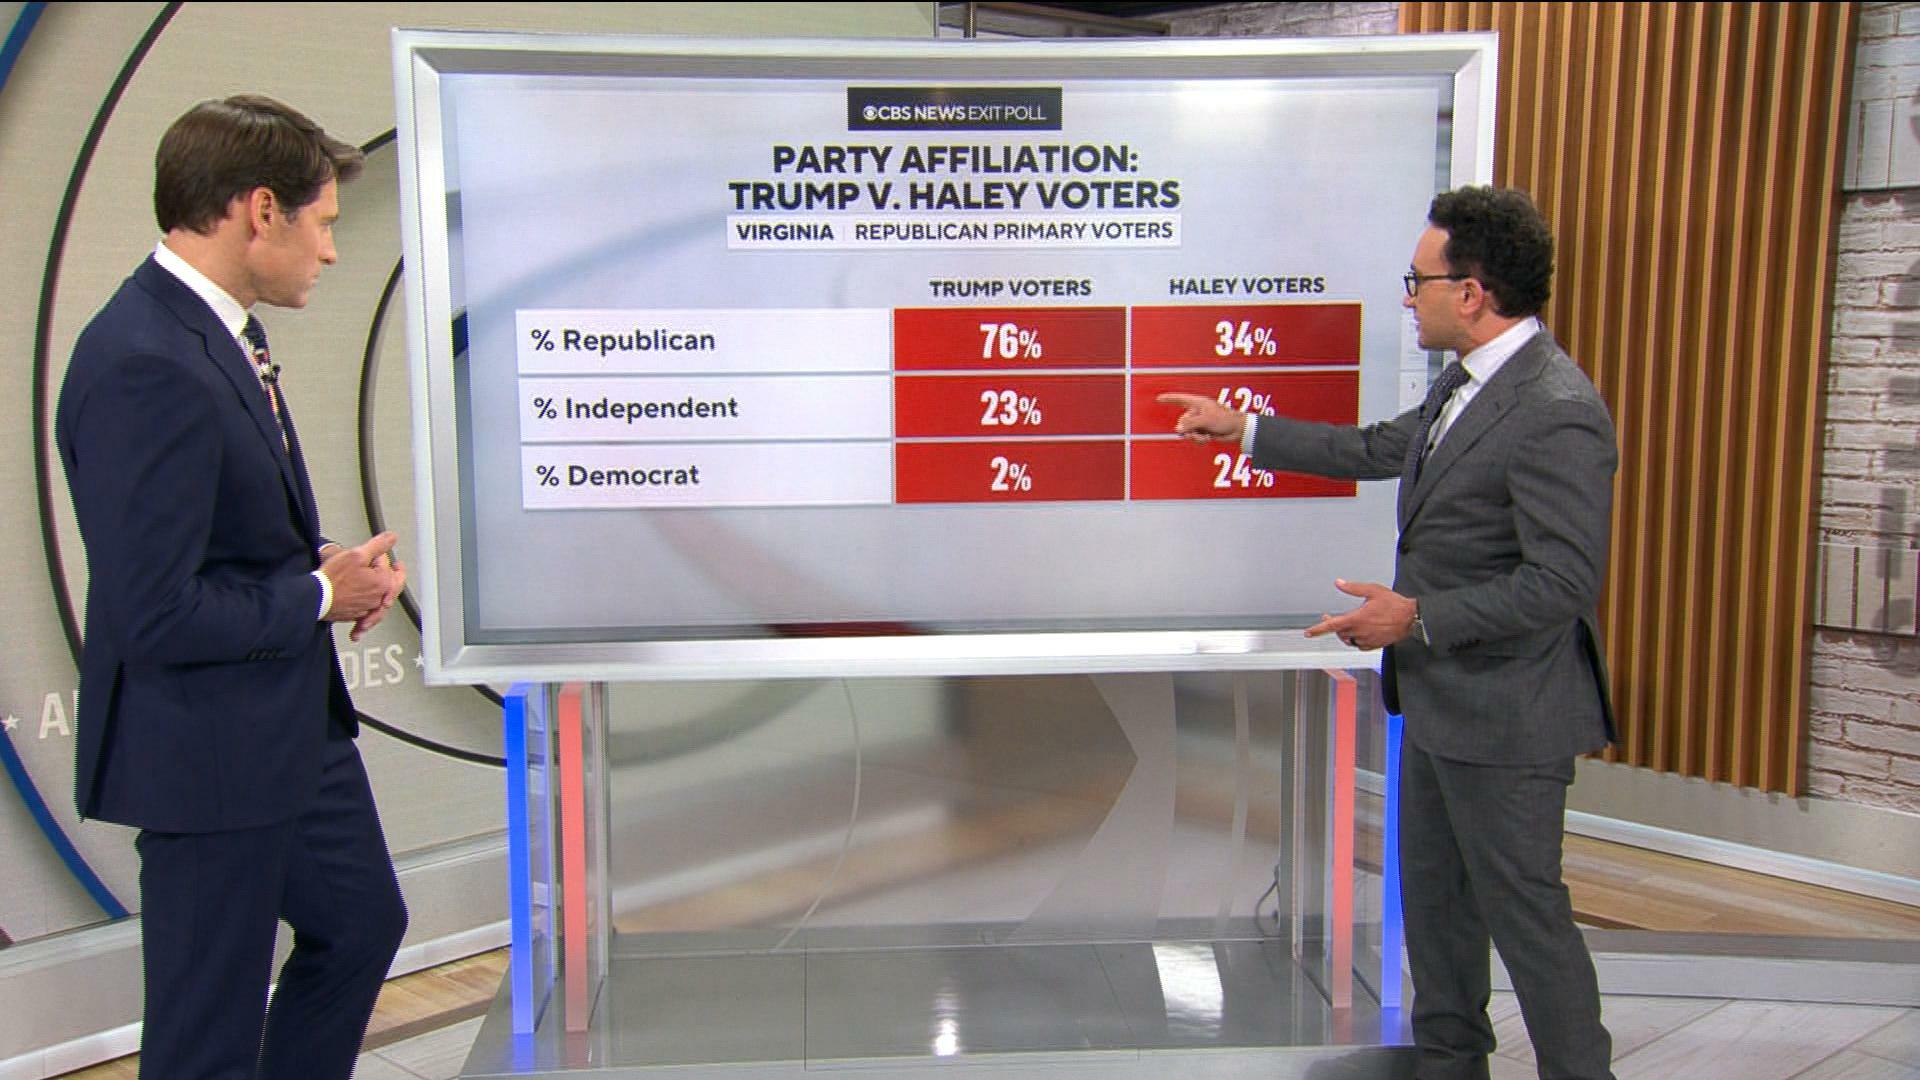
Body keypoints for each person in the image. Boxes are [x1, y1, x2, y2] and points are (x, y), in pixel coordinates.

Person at [1160, 186, 1618, 1080]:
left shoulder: (1555, 407)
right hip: (1442, 702)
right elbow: (1376, 447)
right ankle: (1450, 1063)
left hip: (1510, 718)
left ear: (1472, 294)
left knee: (1527, 922)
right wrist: (1243, 429)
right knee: (1438, 911)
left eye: (1419, 281)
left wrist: (1416, 617)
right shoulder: (1468, 383)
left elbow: (1563, 582)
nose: (1408, 298)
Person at [56, 95, 408, 1080]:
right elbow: (154, 610)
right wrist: (317, 599)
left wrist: (325, 566)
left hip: (289, 736)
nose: (330, 251)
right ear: (260, 210)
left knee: (361, 925)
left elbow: (219, 530)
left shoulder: (217, 334)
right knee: (204, 1039)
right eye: (322, 223)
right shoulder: (142, 361)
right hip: (207, 753)